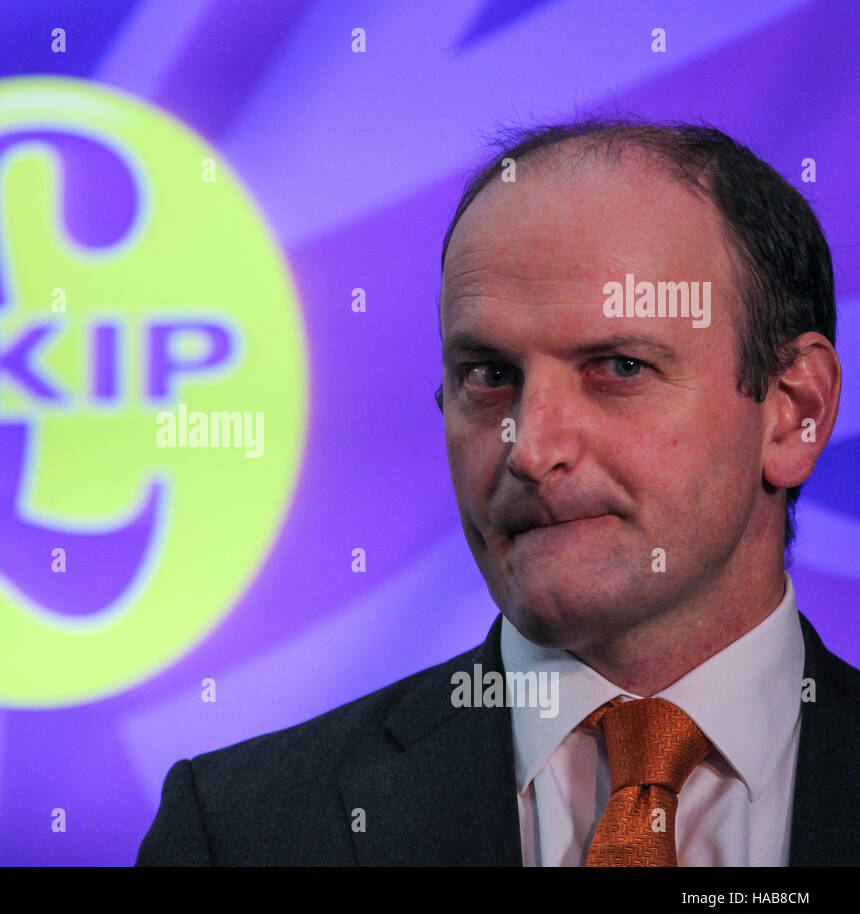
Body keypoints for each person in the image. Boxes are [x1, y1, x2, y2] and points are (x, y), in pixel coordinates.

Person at [135, 119, 859, 866]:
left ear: (794, 411)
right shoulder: (241, 833)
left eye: (618, 367)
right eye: (488, 375)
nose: (531, 449)